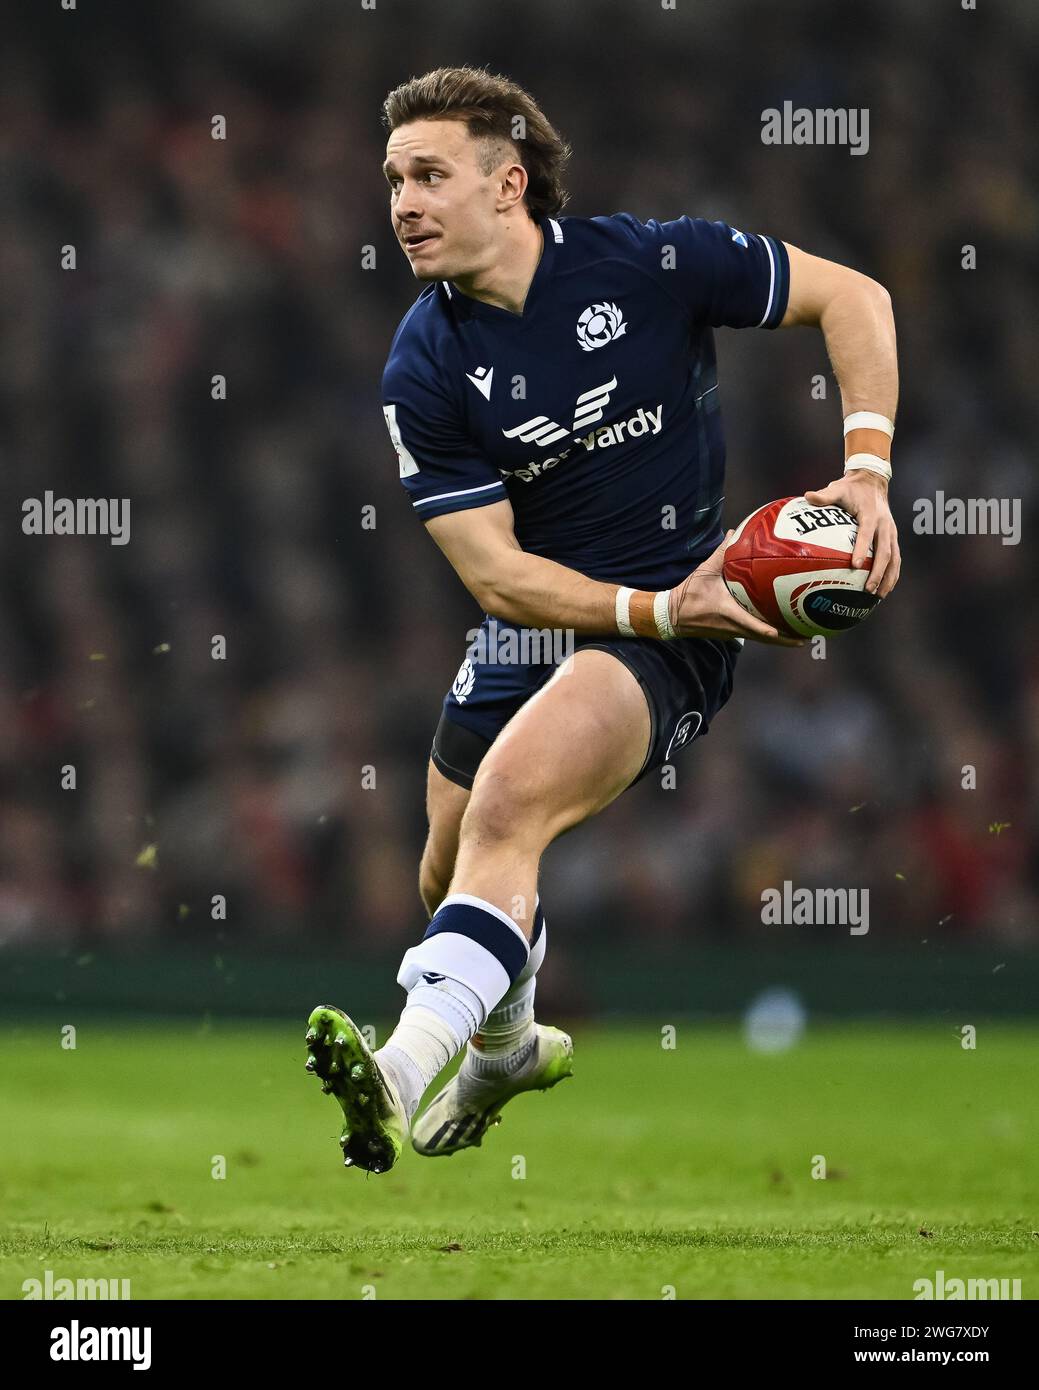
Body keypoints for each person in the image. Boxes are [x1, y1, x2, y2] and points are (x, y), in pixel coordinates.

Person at [305, 65, 900, 1174]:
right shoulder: (423, 361)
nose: (402, 204)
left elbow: (853, 295)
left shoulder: (651, 262)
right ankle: (506, 1044)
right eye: (392, 181)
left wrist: (864, 473)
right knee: (444, 875)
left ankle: (394, 1069)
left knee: (509, 809)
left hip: (676, 636)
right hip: (545, 618)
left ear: (509, 184)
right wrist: (647, 601)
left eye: (428, 175)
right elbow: (496, 575)